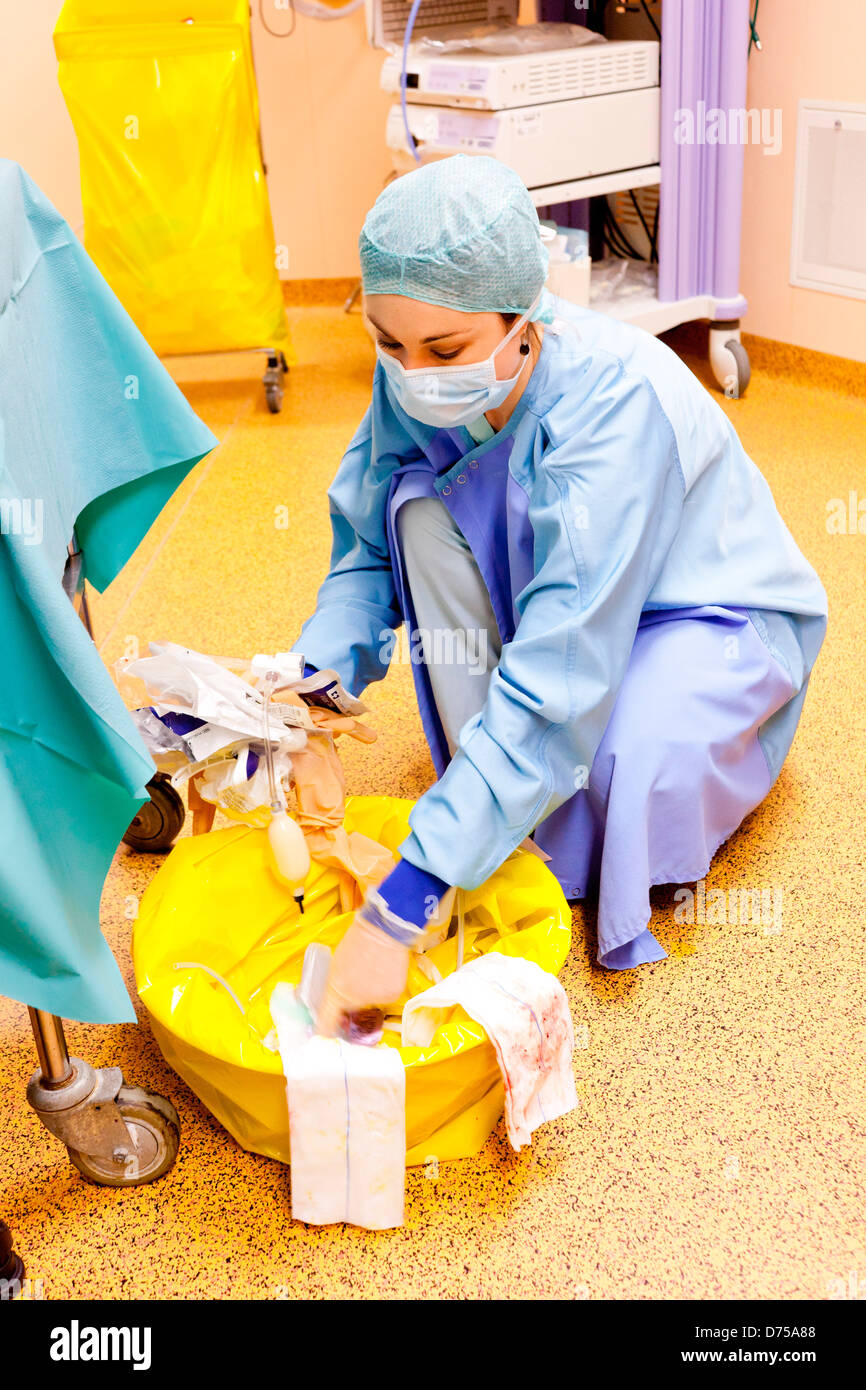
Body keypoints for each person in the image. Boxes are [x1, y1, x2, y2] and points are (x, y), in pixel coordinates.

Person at [293, 155, 827, 1036]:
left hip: (705, 611)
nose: (413, 373)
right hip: (566, 592)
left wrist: (406, 900)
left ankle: (490, 814)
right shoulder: (415, 370)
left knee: (620, 766)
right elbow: (362, 548)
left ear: (522, 320)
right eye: (388, 344)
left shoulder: (612, 412)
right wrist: (310, 687)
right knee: (410, 511)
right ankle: (487, 805)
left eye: (444, 350)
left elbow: (560, 675)